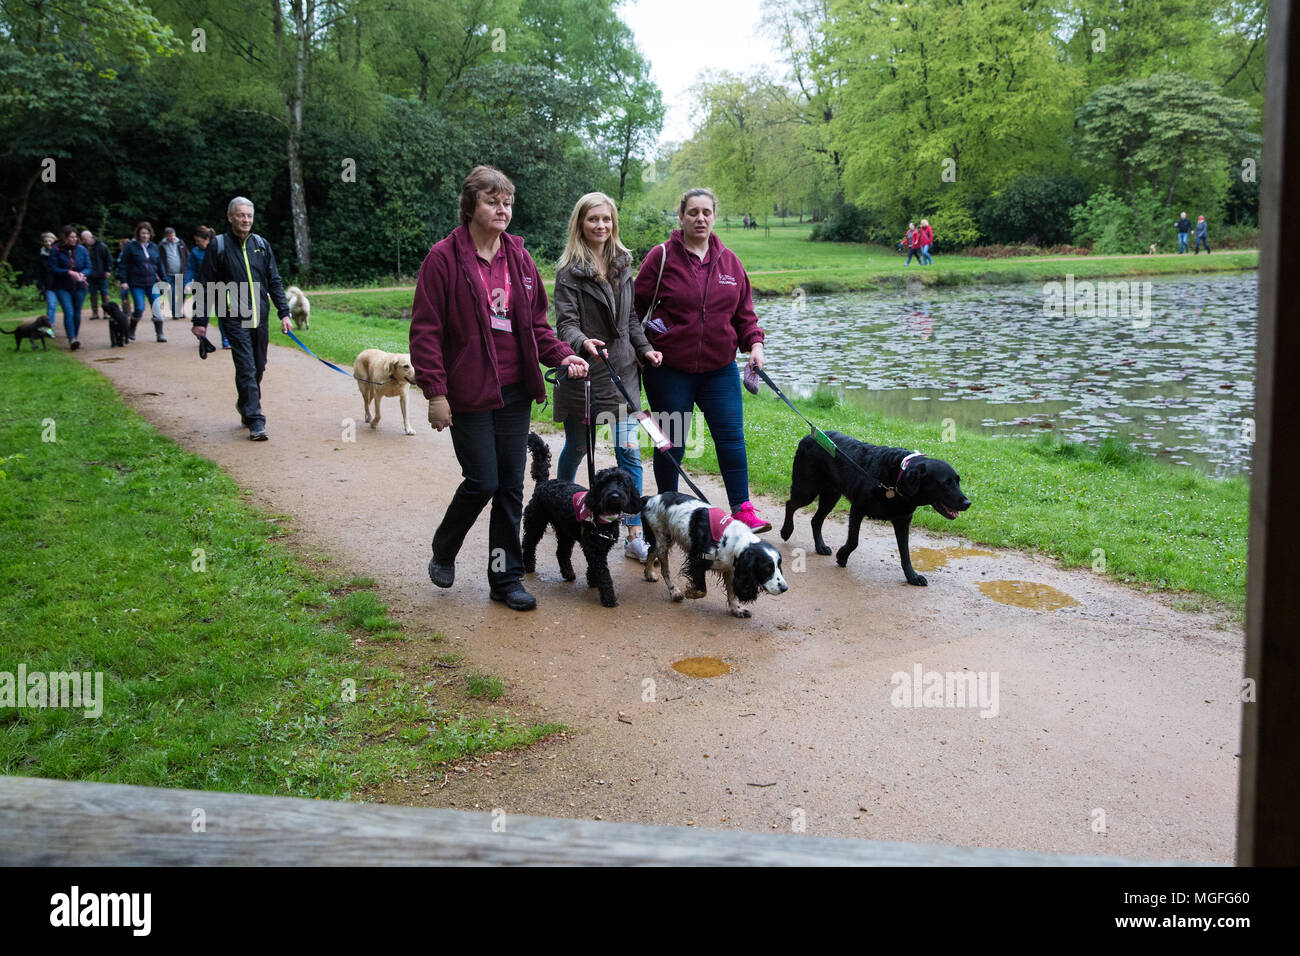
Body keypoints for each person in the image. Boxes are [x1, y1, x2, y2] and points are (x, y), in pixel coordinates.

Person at [411, 166, 589, 611]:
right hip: (467, 391)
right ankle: (445, 546)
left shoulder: (520, 259)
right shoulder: (443, 258)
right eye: (493, 201)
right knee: (483, 480)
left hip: (514, 390)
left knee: (510, 486)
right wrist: (436, 392)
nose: (502, 209)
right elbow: (426, 332)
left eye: (507, 202)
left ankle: (505, 578)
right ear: (471, 206)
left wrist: (561, 355)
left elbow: (535, 325)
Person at [634, 186, 772, 532]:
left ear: (715, 216)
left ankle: (742, 508)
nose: (700, 218)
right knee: (673, 442)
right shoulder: (661, 257)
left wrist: (755, 345)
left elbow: (744, 316)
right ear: (681, 217)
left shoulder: (730, 262)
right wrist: (642, 348)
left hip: (719, 370)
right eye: (693, 212)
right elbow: (634, 309)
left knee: (730, 437)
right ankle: (666, 509)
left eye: (706, 212)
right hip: (669, 370)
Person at [552, 192, 663, 563]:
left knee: (628, 455)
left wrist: (644, 347)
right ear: (580, 224)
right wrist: (582, 343)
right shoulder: (569, 271)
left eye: (606, 219)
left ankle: (633, 534)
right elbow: (564, 323)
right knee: (578, 449)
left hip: (624, 373)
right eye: (592, 219)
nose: (601, 226)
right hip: (584, 374)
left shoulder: (623, 264)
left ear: (614, 222)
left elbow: (630, 318)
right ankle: (559, 503)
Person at [190, 197, 294, 441]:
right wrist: (200, 321)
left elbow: (274, 280)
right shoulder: (219, 246)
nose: (246, 220)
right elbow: (205, 284)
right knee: (246, 367)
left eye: (249, 215)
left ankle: (245, 403)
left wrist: (284, 312)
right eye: (241, 215)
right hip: (233, 317)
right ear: (230, 217)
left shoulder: (261, 244)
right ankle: (256, 420)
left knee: (258, 367)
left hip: (260, 315)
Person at [116, 222, 166, 342]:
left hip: (152, 283)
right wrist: (123, 280)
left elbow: (159, 264)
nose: (145, 235)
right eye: (143, 233)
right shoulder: (131, 247)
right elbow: (123, 265)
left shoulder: (154, 247)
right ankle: (131, 329)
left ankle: (160, 334)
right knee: (139, 307)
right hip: (136, 283)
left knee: (157, 308)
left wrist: (164, 280)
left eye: (147, 233)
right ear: (138, 233)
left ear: (150, 234)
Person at [48, 225, 91, 350]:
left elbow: (89, 266)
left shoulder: (82, 250)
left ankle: (75, 337)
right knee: (69, 311)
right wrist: (69, 272)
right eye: (71, 237)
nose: (74, 239)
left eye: (75, 237)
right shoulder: (56, 250)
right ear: (65, 238)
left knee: (77, 312)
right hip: (63, 286)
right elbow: (53, 268)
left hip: (80, 285)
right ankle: (71, 338)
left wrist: (83, 274)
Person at [185, 226, 224, 346]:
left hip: (219, 286)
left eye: (199, 241)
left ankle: (226, 339)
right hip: (201, 285)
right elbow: (190, 268)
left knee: (222, 313)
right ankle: (203, 337)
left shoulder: (218, 249)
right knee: (202, 312)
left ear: (207, 239)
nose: (197, 243)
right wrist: (187, 283)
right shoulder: (195, 252)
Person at [79, 230, 113, 320]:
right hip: (90, 275)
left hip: (102, 274)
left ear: (90, 237)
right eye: (82, 240)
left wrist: (108, 270)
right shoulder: (84, 248)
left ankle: (106, 313)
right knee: (93, 294)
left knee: (104, 293)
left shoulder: (102, 246)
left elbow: (108, 259)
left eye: (84, 239)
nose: (83, 241)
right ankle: (95, 313)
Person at [158, 226, 189, 319]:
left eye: (173, 236)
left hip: (180, 273)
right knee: (172, 293)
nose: (172, 238)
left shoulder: (180, 243)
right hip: (168, 274)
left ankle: (178, 310)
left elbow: (187, 256)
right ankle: (175, 312)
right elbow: (159, 260)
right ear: (166, 236)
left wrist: (187, 269)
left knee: (182, 292)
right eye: (170, 236)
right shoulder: (161, 246)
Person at [35, 232, 58, 331]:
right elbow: (39, 273)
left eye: (50, 241)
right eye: (46, 241)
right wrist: (40, 285)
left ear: (54, 241)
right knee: (51, 306)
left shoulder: (60, 253)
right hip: (50, 286)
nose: (48, 243)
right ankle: (49, 329)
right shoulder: (41, 258)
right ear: (43, 243)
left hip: (63, 285)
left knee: (69, 309)